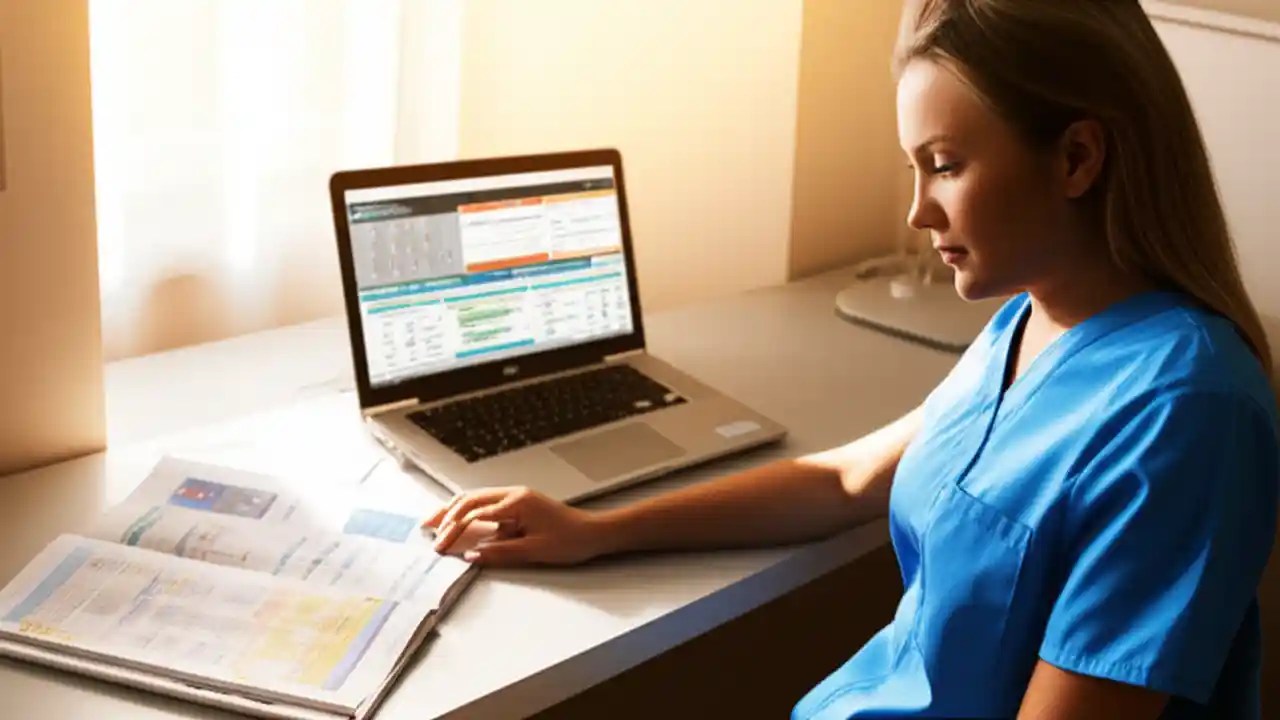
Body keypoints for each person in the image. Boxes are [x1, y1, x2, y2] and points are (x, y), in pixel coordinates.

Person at [425, 1, 1280, 717]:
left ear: (1077, 158)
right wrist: (596, 532)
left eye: (944, 167)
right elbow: (845, 480)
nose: (917, 211)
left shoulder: (1186, 412)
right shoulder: (1032, 318)